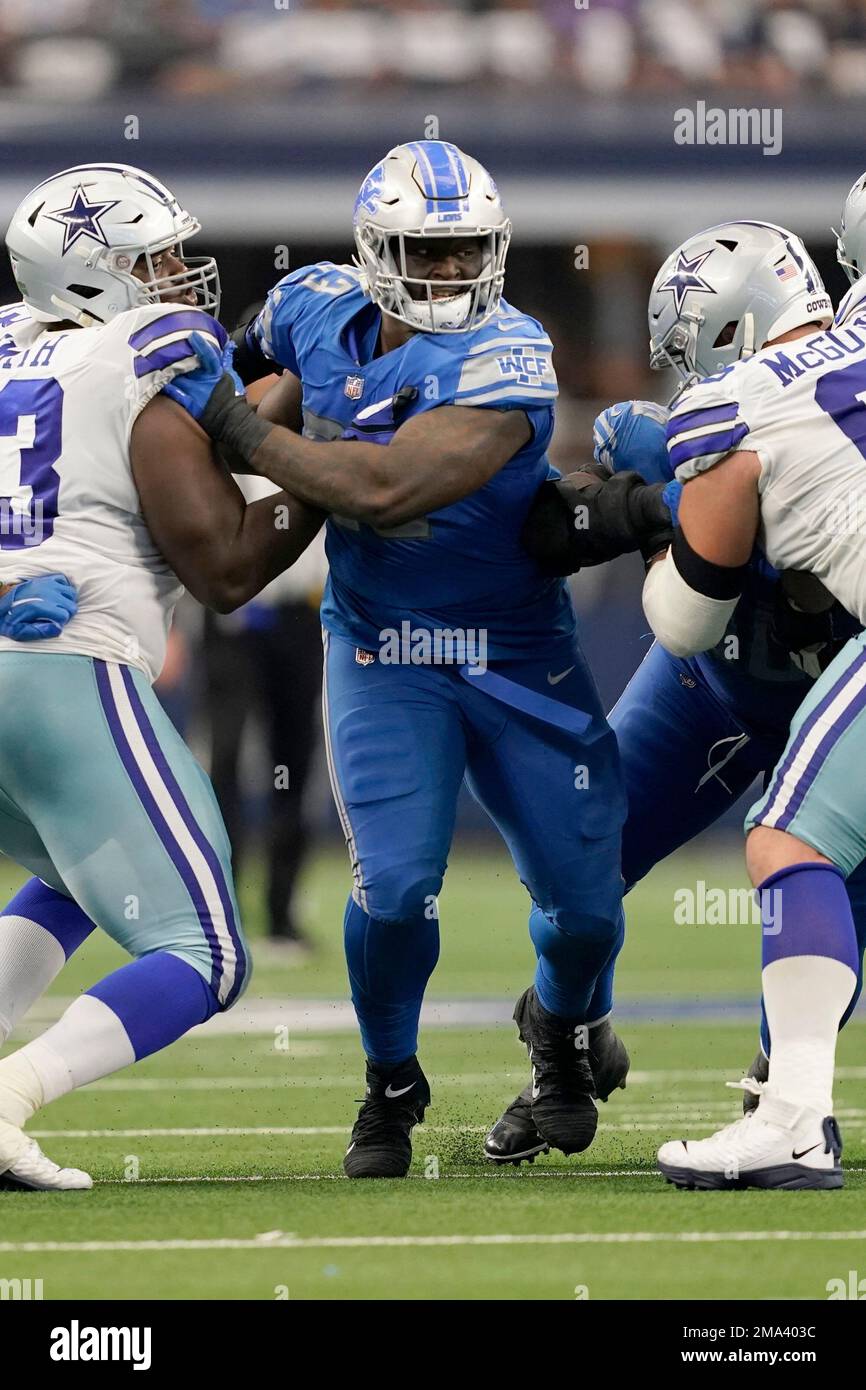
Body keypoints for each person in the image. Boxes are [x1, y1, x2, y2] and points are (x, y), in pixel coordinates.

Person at [164, 140, 644, 1179]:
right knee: (394, 887)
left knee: (586, 903)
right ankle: (390, 1081)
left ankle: (558, 1035)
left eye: (465, 250)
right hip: (384, 651)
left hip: (515, 649)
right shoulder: (310, 306)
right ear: (375, 250)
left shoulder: (508, 351)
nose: (448, 274)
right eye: (425, 254)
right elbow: (223, 382)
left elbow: (383, 488)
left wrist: (236, 424)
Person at [486, 219, 866, 1165]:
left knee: (824, 876)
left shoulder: (719, 417)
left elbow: (684, 603)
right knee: (581, 864)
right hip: (717, 686)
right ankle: (564, 1037)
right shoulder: (697, 428)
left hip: (816, 677)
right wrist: (637, 506)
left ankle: (780, 1100)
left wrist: (664, 525)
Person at [0, 161, 321, 1190]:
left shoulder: (16, 344)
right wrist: (329, 480)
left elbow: (175, 444)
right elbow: (225, 564)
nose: (183, 277)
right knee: (207, 951)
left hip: (19, 647)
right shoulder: (148, 351)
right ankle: (10, 1099)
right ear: (92, 278)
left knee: (72, 875)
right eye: (156, 260)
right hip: (67, 665)